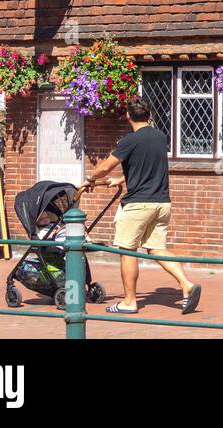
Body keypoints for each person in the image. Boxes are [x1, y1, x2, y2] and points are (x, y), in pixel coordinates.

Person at [83, 98, 201, 315]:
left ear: (128, 115)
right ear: (149, 115)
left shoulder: (129, 141)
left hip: (138, 205)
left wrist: (90, 178)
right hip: (162, 203)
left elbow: (106, 166)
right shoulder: (160, 137)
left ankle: (129, 302)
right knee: (156, 248)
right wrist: (121, 180)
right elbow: (147, 166)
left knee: (128, 251)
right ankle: (187, 284)